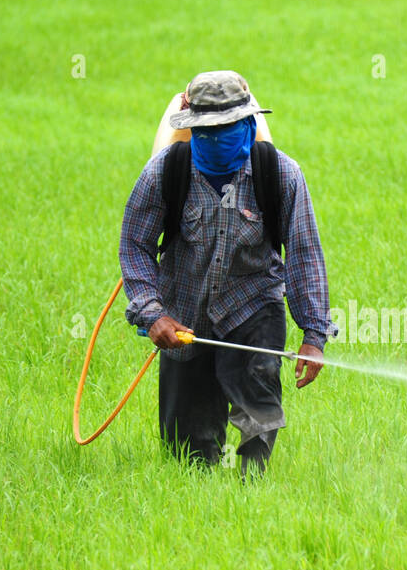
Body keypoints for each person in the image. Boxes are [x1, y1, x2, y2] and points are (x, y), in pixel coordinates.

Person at [119, 70, 336, 477]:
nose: (217, 136)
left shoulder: (281, 175)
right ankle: (199, 499)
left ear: (249, 123)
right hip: (183, 313)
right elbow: (135, 245)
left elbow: (305, 254)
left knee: (259, 412)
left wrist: (314, 335)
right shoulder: (165, 173)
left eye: (228, 127)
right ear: (191, 129)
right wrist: (152, 313)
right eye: (206, 131)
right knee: (187, 450)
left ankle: (251, 490)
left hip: (253, 308)